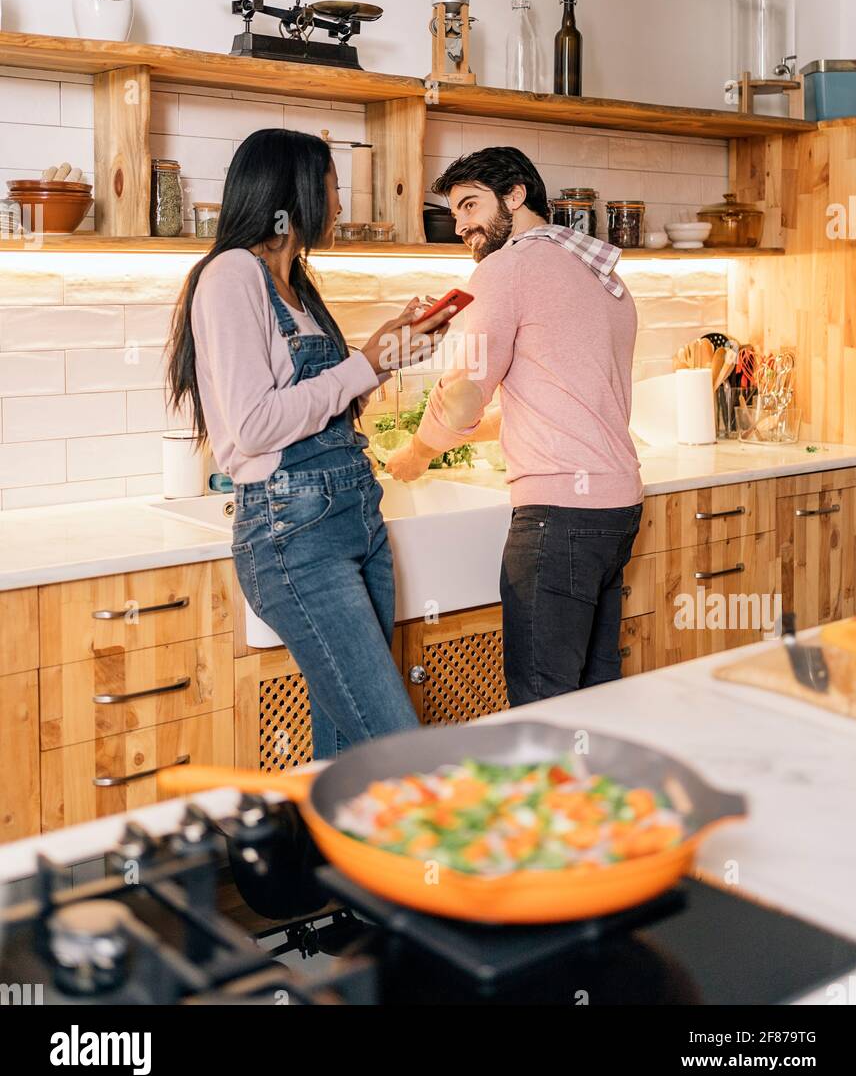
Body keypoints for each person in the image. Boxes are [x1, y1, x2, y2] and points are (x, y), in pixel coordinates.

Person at [167, 127, 454, 759]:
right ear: (292, 193)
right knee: (397, 749)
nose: (340, 205)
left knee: (347, 752)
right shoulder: (230, 275)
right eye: (331, 187)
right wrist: (363, 363)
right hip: (293, 536)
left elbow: (324, 406)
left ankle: (329, 860)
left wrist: (390, 352)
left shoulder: (297, 286)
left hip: (356, 520)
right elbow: (252, 425)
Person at [386, 146, 643, 706]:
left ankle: (545, 793)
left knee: (541, 700)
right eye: (454, 214)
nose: (462, 226)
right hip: (617, 509)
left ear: (516, 195)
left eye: (471, 205)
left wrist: (418, 453)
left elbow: (460, 400)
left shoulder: (504, 269)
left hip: (557, 517)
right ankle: (601, 793)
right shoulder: (600, 275)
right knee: (597, 696)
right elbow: (554, 403)